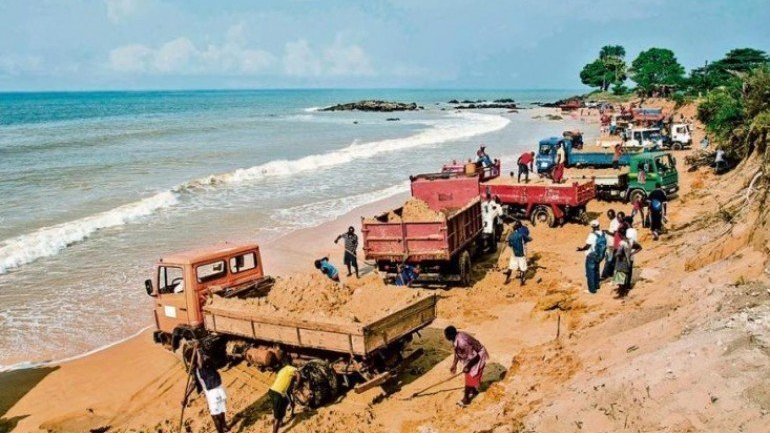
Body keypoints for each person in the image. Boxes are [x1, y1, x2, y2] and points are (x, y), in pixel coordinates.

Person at [183, 346, 229, 433]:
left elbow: (200, 365)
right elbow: (194, 382)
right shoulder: (201, 365)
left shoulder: (203, 364)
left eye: (189, 360)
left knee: (215, 416)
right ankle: (225, 426)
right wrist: (186, 396)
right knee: (221, 409)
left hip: (213, 393)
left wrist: (197, 350)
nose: (189, 363)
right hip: (219, 389)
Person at [444, 326, 489, 407]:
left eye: (446, 335)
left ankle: (466, 399)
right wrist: (454, 364)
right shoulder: (456, 337)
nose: (445, 337)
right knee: (469, 376)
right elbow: (457, 351)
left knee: (470, 377)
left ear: (450, 336)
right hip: (470, 357)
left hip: (478, 355)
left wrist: (468, 366)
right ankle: (473, 390)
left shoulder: (462, 342)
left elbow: (476, 357)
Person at [268, 363, 302, 433]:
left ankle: (280, 422)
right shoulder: (290, 368)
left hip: (272, 391)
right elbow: (298, 374)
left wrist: (291, 402)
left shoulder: (282, 371)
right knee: (278, 417)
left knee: (283, 404)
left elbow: (287, 392)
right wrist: (297, 386)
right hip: (278, 393)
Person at [576, 220, 606, 294]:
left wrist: (581, 249)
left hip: (591, 255)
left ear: (592, 227)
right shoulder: (603, 233)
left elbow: (587, 246)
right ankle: (597, 285)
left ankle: (592, 290)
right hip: (599, 255)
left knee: (590, 272)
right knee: (596, 270)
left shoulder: (592, 235)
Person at [613, 225, 643, 297]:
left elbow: (619, 253)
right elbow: (639, 247)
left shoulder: (622, 243)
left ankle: (621, 294)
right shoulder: (631, 241)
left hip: (621, 263)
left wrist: (616, 254)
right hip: (628, 262)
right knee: (625, 278)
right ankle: (624, 292)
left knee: (620, 279)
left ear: (620, 234)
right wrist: (631, 253)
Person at [505, 220, 532, 285]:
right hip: (521, 253)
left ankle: (506, 280)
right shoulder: (522, 234)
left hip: (514, 254)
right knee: (523, 268)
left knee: (511, 267)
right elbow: (530, 239)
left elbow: (509, 244)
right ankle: (522, 282)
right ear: (520, 227)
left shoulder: (511, 235)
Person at [600, 209, 617, 280]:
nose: (609, 217)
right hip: (612, 243)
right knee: (612, 259)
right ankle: (610, 273)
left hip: (612, 244)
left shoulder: (615, 222)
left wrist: (606, 232)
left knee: (608, 259)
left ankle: (604, 275)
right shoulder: (614, 221)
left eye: (609, 215)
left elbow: (615, 233)